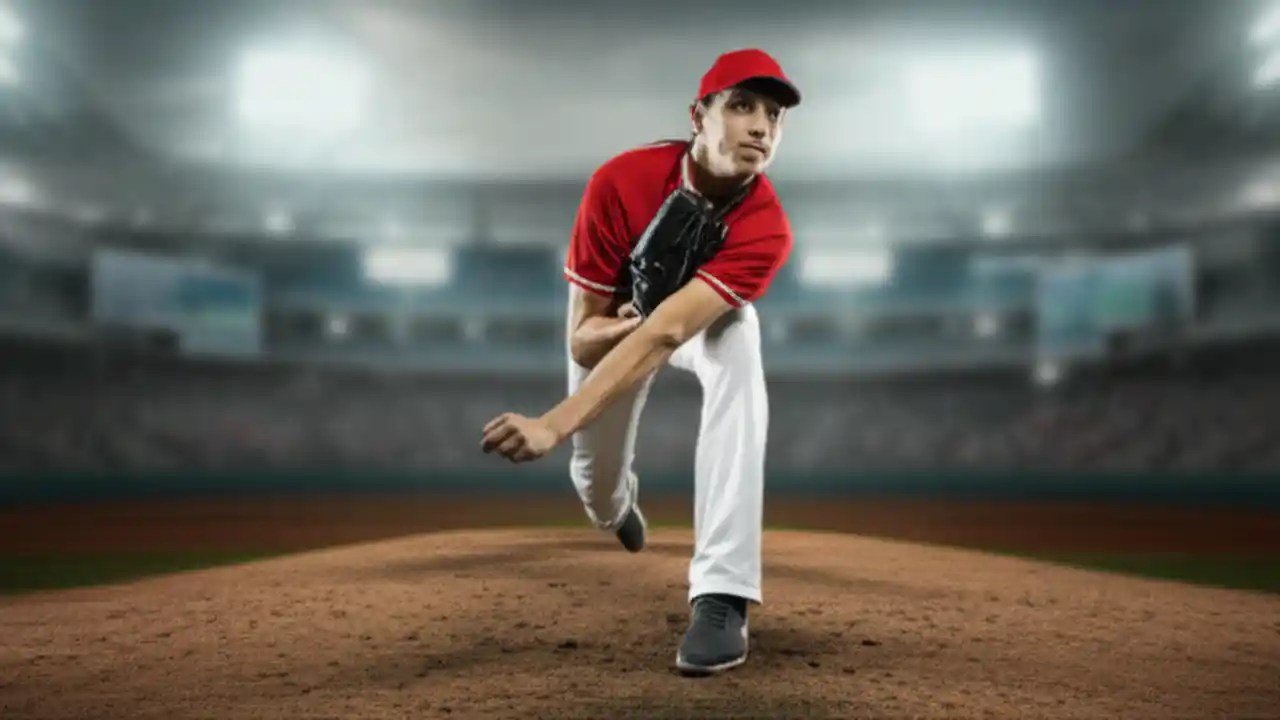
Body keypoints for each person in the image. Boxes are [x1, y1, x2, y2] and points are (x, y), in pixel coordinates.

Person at [481, 48, 800, 676]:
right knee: (595, 482)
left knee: (742, 337)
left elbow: (670, 332)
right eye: (741, 106)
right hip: (610, 331)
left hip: (688, 324)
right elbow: (580, 338)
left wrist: (552, 420)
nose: (761, 126)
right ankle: (616, 505)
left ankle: (722, 594)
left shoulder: (766, 226)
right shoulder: (621, 182)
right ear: (697, 115)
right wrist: (624, 326)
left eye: (774, 114)